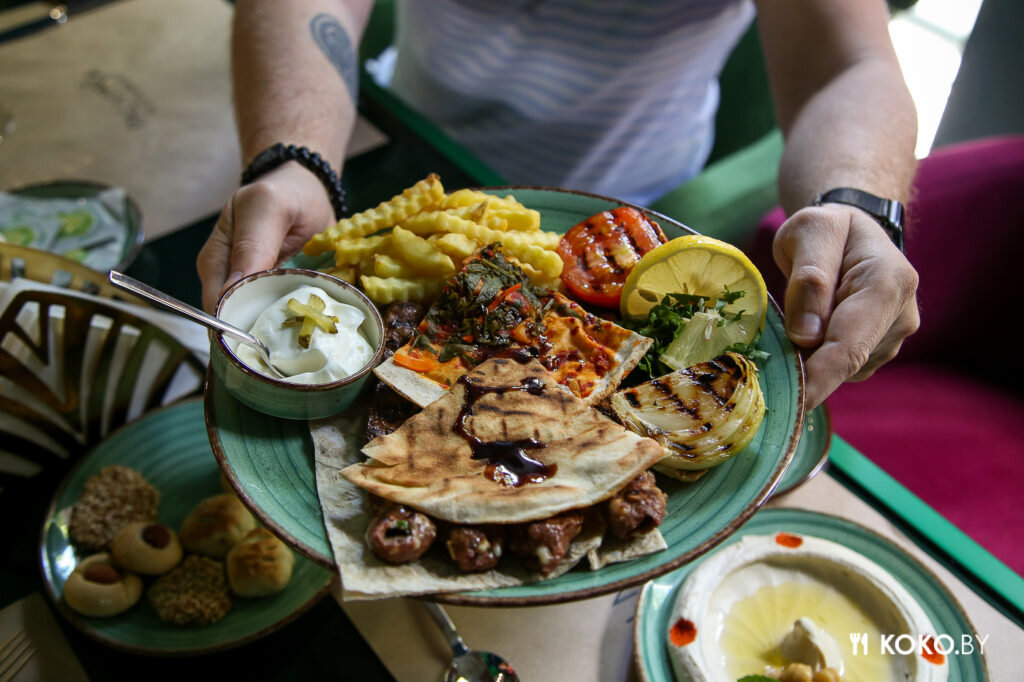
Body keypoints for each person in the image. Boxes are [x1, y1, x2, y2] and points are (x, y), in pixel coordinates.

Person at [197, 0, 920, 411]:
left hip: (624, 220)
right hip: (401, 170)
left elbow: (848, 61)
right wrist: (294, 156)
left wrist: (858, 200)